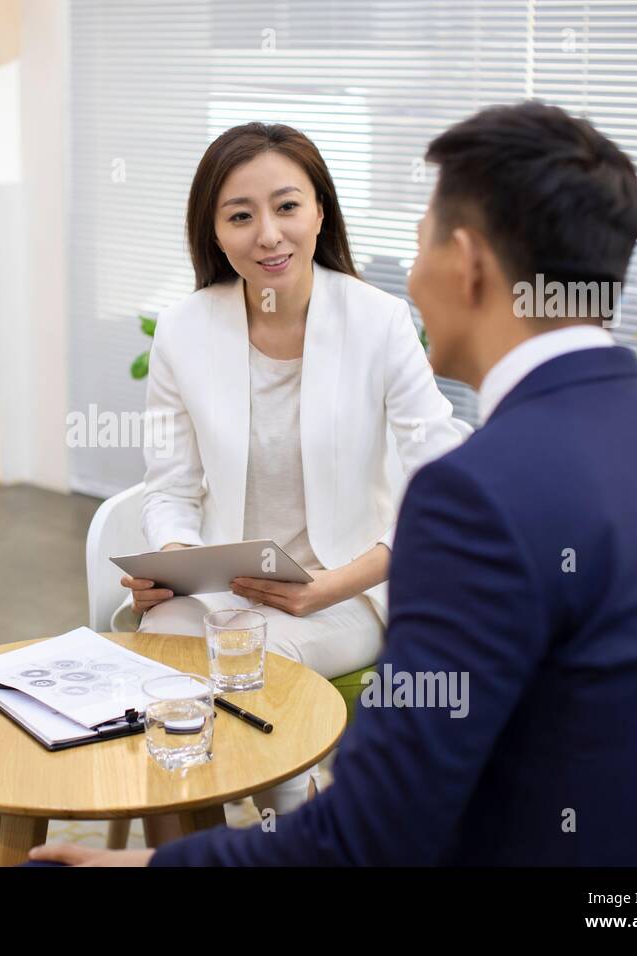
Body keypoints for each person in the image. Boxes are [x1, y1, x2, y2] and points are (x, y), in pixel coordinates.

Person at [33, 100, 637, 866]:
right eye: (241, 215)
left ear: (466, 262)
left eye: (419, 241)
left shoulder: (474, 493)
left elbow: (372, 834)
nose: (410, 278)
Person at [121, 122, 469, 815]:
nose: (268, 234)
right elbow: (171, 488)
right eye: (240, 216)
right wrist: (177, 560)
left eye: (287, 206)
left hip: (344, 596)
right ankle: (203, 842)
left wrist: (333, 585)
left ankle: (291, 826)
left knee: (244, 667)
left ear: (320, 213)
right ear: (214, 232)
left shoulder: (378, 321)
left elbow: (443, 486)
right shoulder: (185, 331)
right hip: (223, 596)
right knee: (162, 659)